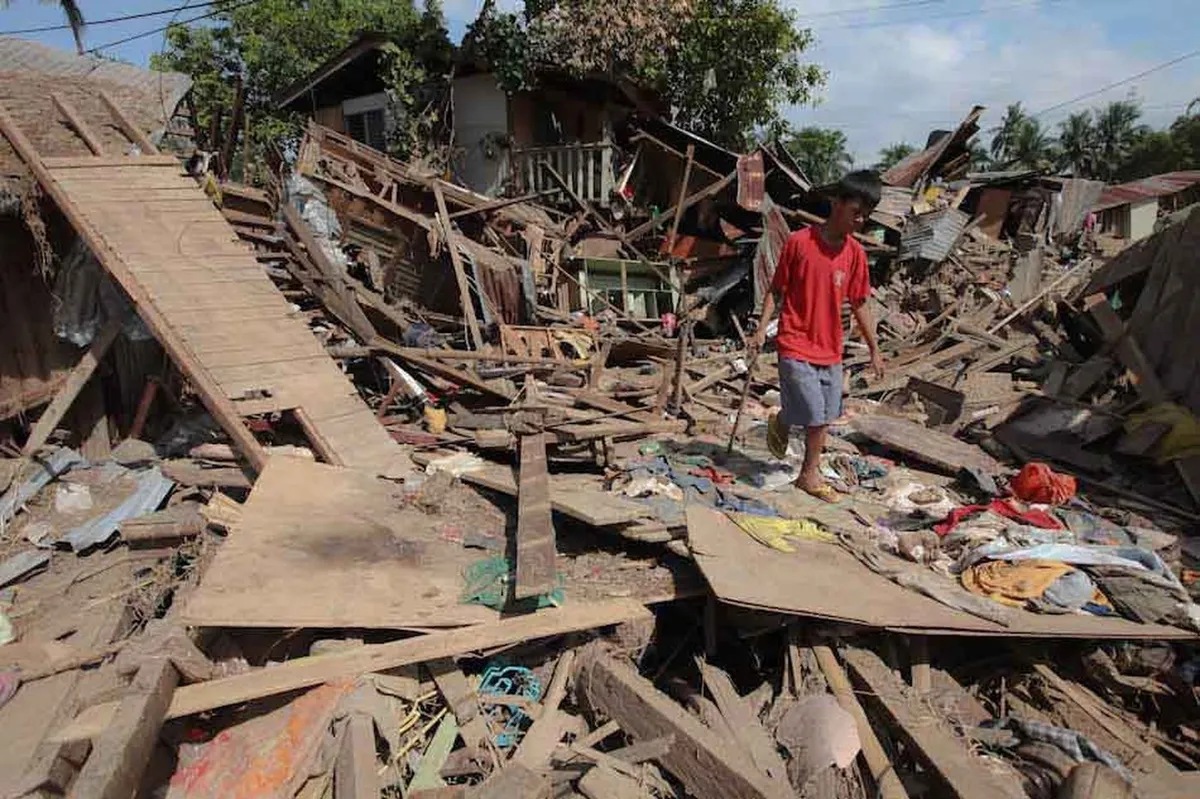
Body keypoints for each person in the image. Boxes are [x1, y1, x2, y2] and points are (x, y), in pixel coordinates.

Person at [752, 170, 885, 502]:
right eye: (856, 212)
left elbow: (860, 302)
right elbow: (776, 290)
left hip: (830, 346)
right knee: (817, 415)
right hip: (795, 340)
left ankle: (783, 419)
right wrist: (760, 328)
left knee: (826, 412)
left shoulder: (855, 254)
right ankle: (808, 475)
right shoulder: (799, 243)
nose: (860, 220)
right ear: (837, 203)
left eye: (866, 215)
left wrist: (874, 348)